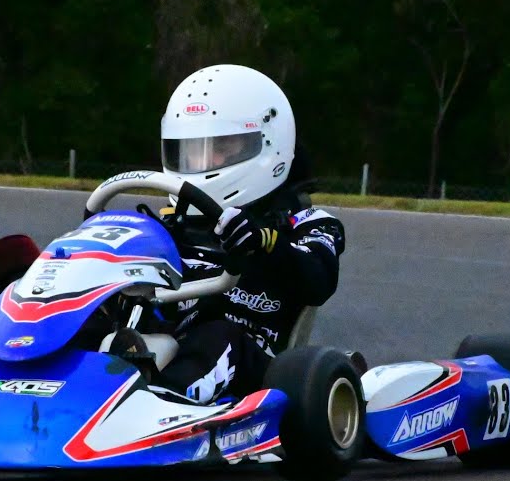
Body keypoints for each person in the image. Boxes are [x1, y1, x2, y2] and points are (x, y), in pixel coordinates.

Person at [133, 63, 349, 404]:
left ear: (268, 145)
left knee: (219, 335)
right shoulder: (168, 226)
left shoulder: (306, 223)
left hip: (252, 359)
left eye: (221, 147)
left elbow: (317, 278)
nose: (202, 162)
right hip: (161, 341)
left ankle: (157, 405)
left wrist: (263, 244)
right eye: (190, 151)